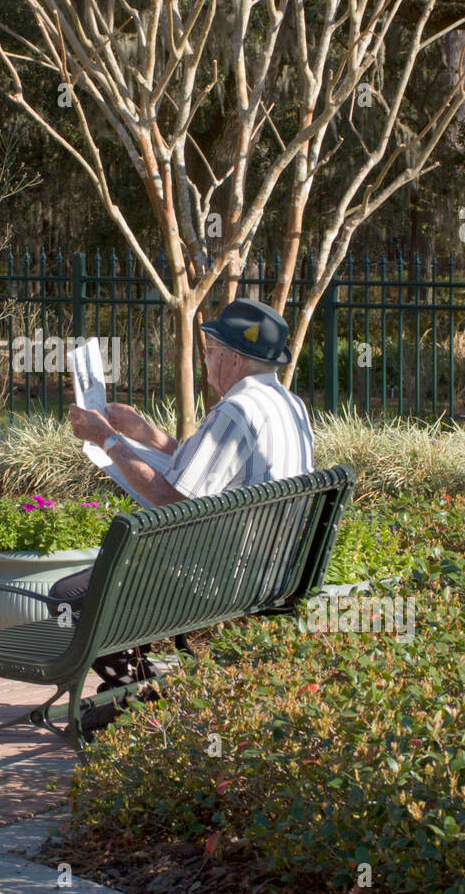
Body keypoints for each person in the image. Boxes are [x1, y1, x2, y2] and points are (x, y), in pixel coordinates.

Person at [48, 298, 314, 733]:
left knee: (71, 595)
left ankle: (138, 694)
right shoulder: (289, 406)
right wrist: (145, 435)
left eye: (210, 351)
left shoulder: (236, 410)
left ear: (232, 358)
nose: (205, 359)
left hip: (224, 577)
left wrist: (107, 440)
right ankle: (141, 691)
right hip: (277, 569)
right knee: (105, 582)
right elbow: (212, 472)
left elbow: (174, 501)